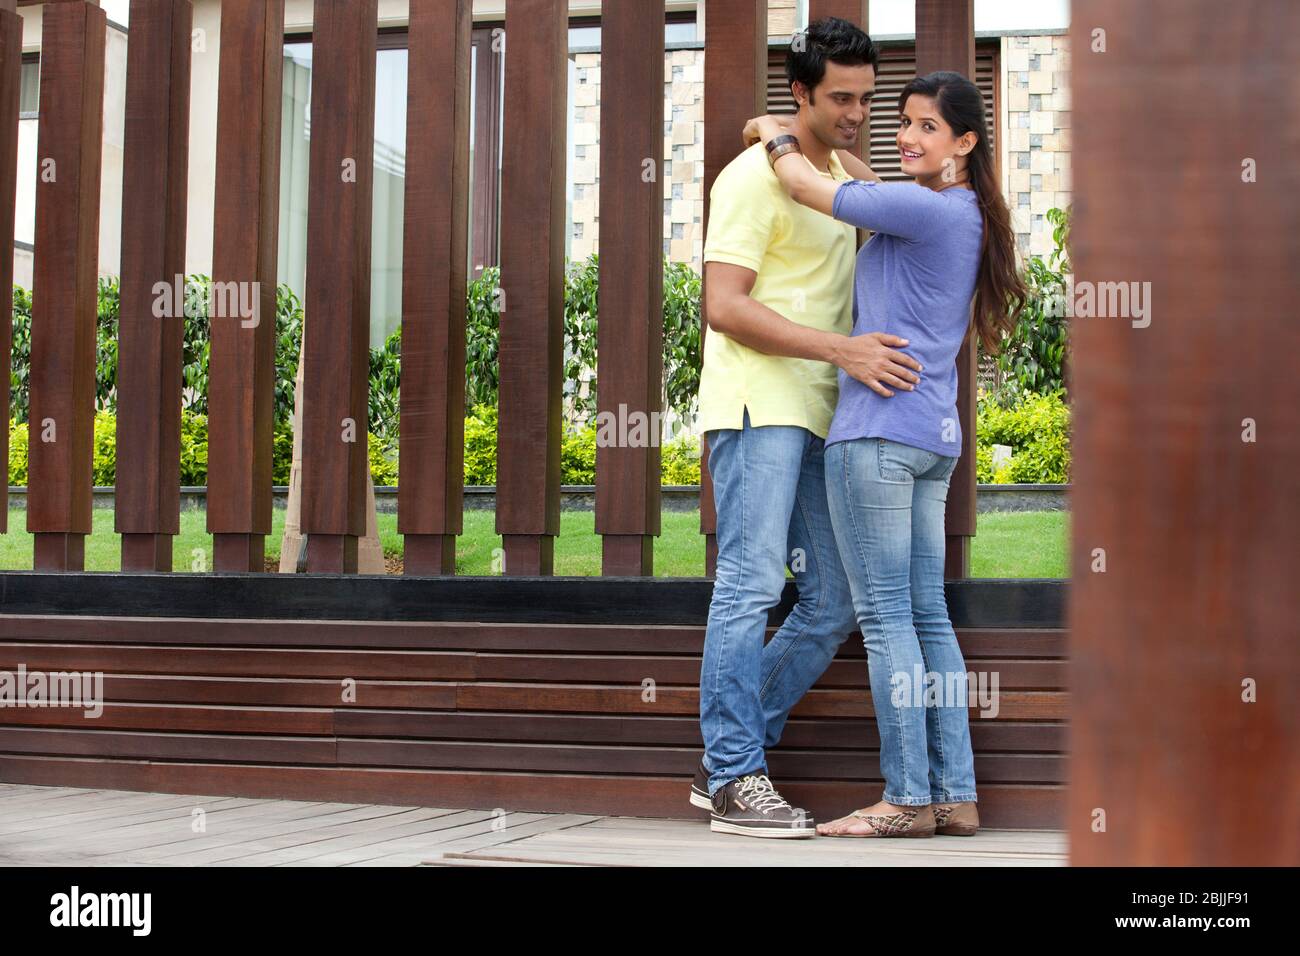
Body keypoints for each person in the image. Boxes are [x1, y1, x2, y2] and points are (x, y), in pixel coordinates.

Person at [747, 70, 1026, 837]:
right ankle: (954, 795)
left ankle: (904, 798)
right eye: (901, 121)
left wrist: (769, 130)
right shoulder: (960, 213)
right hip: (933, 442)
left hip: (875, 435)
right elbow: (873, 186)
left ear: (964, 142)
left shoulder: (920, 210)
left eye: (927, 127)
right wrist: (868, 161)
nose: (906, 136)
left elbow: (808, 186)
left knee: (885, 622)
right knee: (928, 617)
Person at [693, 17, 925, 839]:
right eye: (840, 98)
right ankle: (732, 776)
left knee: (831, 601)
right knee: (752, 585)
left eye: (868, 97)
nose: (859, 111)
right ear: (801, 93)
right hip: (759, 406)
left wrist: (788, 133)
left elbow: (869, 193)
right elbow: (722, 305)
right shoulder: (754, 180)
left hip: (823, 413)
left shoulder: (825, 175)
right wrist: (843, 350)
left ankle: (729, 752)